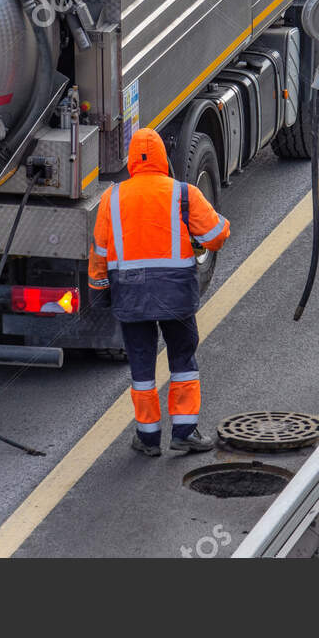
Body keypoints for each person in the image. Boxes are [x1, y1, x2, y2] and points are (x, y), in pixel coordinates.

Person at [88, 127, 230, 456]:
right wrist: (216, 225)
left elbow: (100, 251)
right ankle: (185, 432)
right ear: (162, 159)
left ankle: (147, 437)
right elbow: (216, 237)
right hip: (176, 297)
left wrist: (99, 289)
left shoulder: (112, 198)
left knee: (141, 366)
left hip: (130, 296)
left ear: (132, 161)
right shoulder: (183, 194)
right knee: (182, 359)